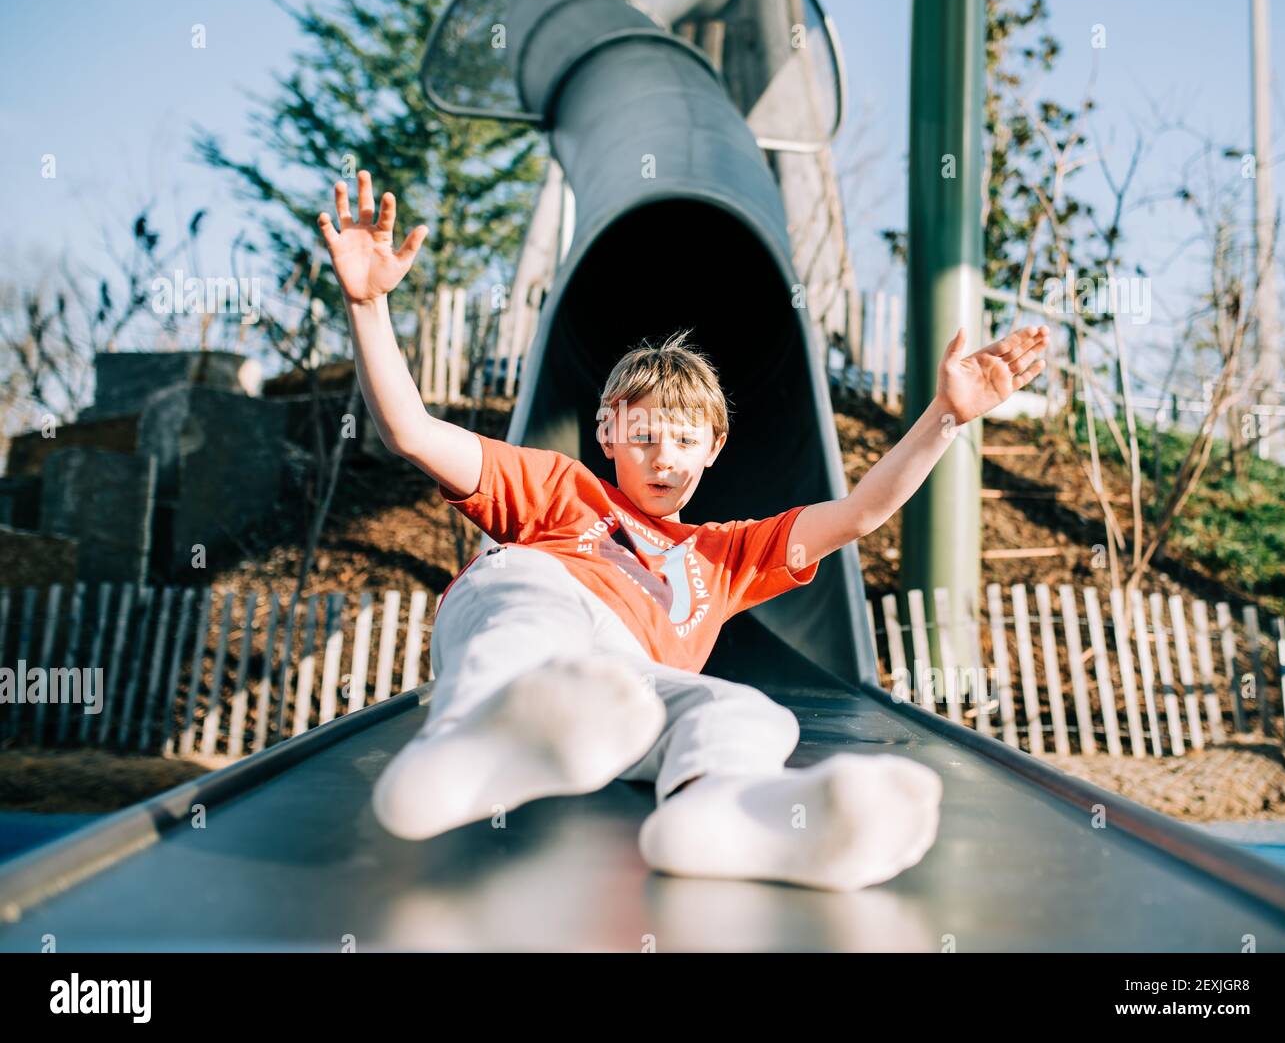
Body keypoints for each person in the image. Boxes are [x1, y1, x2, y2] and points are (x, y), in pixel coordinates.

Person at [319, 171, 1049, 892]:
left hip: (619, 683)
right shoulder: (557, 487)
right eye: (642, 435)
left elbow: (860, 512)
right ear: (607, 432)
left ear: (713, 447)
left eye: (682, 439)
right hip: (530, 618)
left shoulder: (722, 555)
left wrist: (945, 417)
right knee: (529, 593)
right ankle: (469, 744)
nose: (663, 456)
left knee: (737, 707)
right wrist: (368, 307)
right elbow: (411, 432)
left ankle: (724, 815)